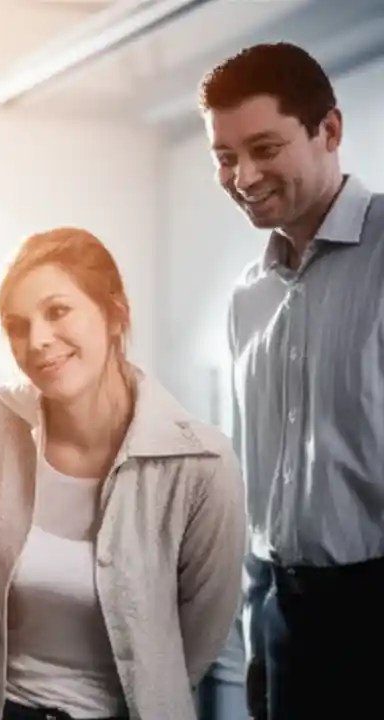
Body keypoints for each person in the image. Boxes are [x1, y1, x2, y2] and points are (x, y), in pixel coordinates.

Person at [0, 228, 245, 720]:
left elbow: (201, 640)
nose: (37, 341)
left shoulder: (200, 464)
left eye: (57, 312)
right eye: (17, 325)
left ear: (115, 315)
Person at [199, 42, 384, 720]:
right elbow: (260, 480)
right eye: (225, 156)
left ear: (328, 131)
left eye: (265, 148)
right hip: (284, 615)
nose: (244, 175)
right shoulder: (248, 297)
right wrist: (257, 627)